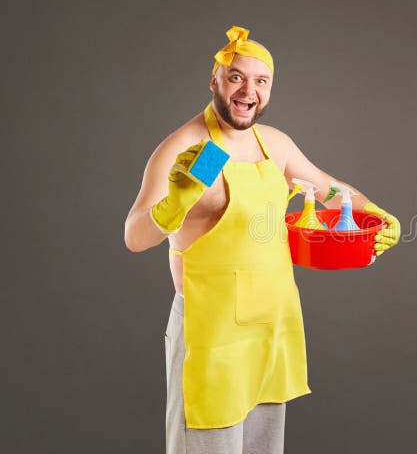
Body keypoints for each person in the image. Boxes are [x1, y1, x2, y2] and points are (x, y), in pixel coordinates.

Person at [124, 26, 400, 454]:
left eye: (261, 81)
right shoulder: (188, 149)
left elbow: (329, 189)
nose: (248, 90)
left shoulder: (274, 145)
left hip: (269, 331)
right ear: (214, 80)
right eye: (236, 77)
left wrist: (371, 211)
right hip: (211, 337)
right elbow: (135, 237)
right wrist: (171, 205)